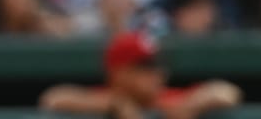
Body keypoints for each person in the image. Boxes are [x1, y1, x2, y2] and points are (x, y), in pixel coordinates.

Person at [38, 30, 242, 118]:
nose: (157, 73)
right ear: (119, 72)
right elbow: (53, 99)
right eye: (146, 66)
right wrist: (115, 105)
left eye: (158, 65)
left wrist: (192, 105)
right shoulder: (103, 99)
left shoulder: (166, 100)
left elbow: (227, 92)